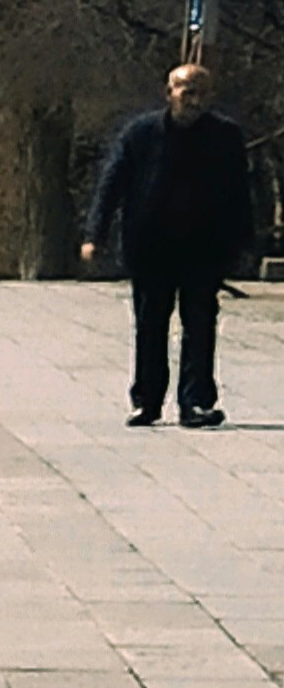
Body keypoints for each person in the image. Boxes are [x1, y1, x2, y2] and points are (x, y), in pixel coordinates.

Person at [88, 58, 262, 426]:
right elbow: (112, 183)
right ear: (170, 93)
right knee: (151, 325)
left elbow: (240, 192)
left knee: (200, 325)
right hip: (150, 247)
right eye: (185, 90)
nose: (192, 98)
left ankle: (196, 402)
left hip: (204, 249)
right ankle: (146, 401)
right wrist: (95, 233)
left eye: (199, 92)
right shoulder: (141, 134)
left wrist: (246, 240)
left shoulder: (225, 136)